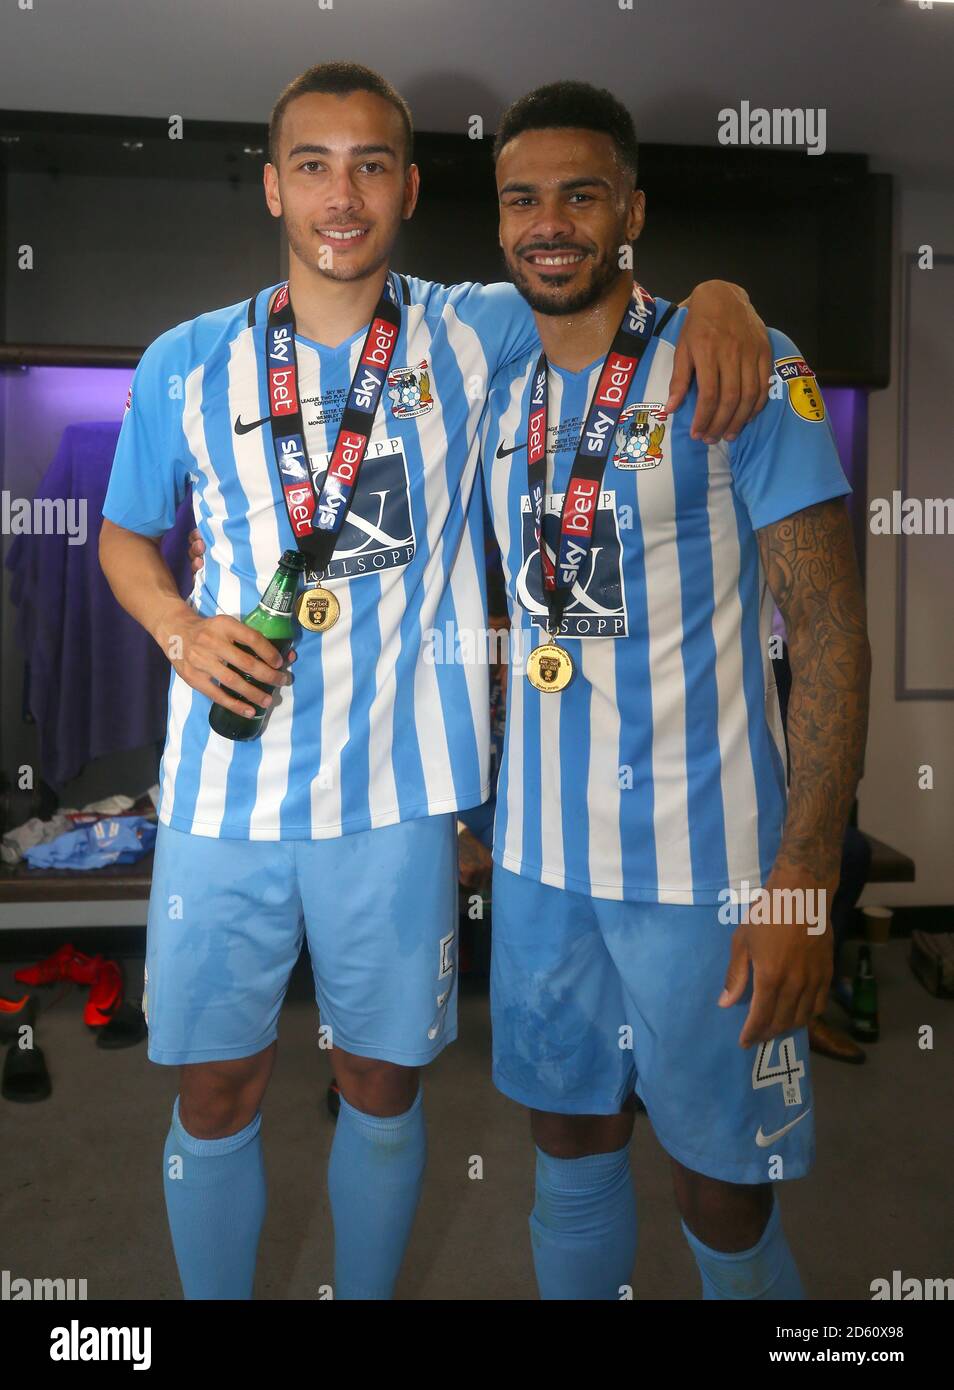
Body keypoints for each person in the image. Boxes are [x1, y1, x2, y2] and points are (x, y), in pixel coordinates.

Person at [100, 60, 773, 1301]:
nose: (339, 196)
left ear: (408, 187)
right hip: (223, 796)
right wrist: (181, 628)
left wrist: (726, 295)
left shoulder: (475, 328)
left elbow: (620, 290)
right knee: (216, 1085)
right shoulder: (184, 362)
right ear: (272, 187)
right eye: (312, 165)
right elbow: (124, 538)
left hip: (401, 805)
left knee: (382, 1082)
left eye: (368, 166)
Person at [480, 81, 871, 1299]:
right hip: (542, 865)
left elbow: (830, 631)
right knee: (569, 1152)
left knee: (724, 1184)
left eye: (581, 194)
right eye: (523, 198)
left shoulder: (742, 365)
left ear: (631, 209)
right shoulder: (488, 369)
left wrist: (804, 884)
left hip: (713, 871)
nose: (551, 223)